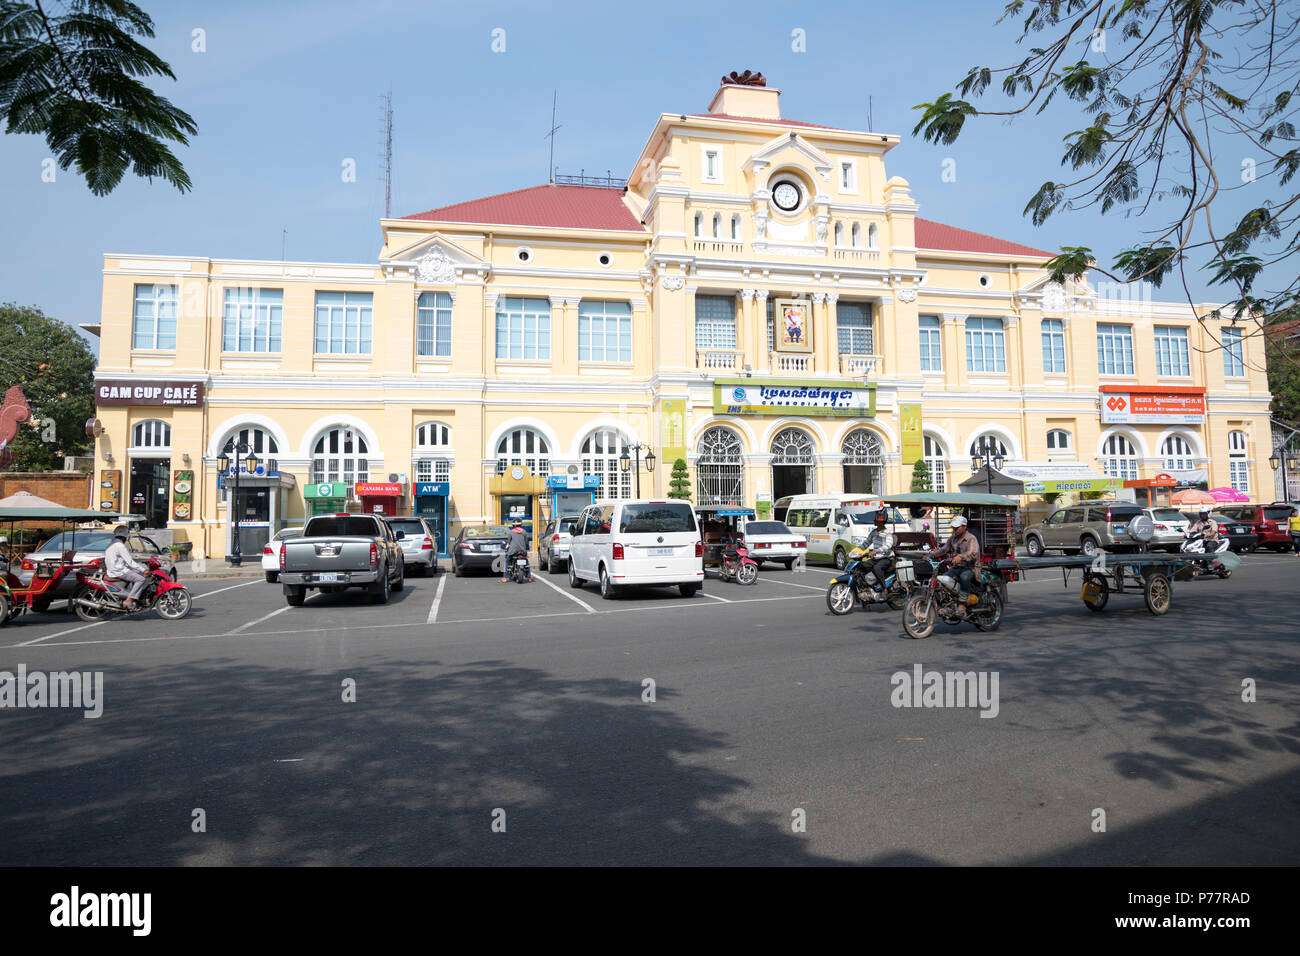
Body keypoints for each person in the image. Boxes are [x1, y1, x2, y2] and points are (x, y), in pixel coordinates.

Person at [930, 514, 981, 615]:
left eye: (957, 527)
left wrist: (961, 557)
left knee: (964, 577)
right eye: (954, 527)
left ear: (964, 526)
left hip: (970, 568)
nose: (955, 529)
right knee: (943, 580)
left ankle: (962, 604)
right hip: (956, 568)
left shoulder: (971, 538)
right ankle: (950, 601)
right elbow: (944, 549)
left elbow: (973, 553)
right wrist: (930, 555)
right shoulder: (953, 538)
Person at [104, 526, 147, 610]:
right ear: (125, 537)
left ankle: (133, 598)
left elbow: (121, 560)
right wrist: (143, 569)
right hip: (119, 571)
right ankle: (129, 599)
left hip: (112, 570)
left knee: (135, 574)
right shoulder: (120, 545)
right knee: (141, 579)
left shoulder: (111, 544)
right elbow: (130, 562)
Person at [862, 510, 896, 595]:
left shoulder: (887, 533)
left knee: (877, 568)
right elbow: (865, 544)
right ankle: (869, 585)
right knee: (862, 566)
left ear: (881, 522)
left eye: (876, 519)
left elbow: (888, 546)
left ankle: (884, 588)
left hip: (886, 558)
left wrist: (876, 551)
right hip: (876, 558)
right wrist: (853, 551)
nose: (874, 521)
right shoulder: (874, 532)